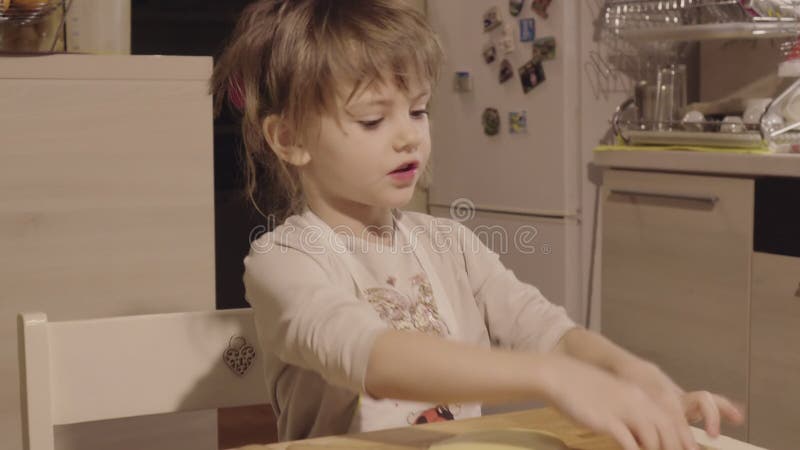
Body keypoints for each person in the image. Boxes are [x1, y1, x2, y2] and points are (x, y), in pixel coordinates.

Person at [210, 1, 743, 448]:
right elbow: (368, 355)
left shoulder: (449, 242)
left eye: (417, 111)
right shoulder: (284, 260)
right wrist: (552, 379)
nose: (408, 137)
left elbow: (545, 331)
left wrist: (635, 378)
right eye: (373, 119)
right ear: (289, 140)